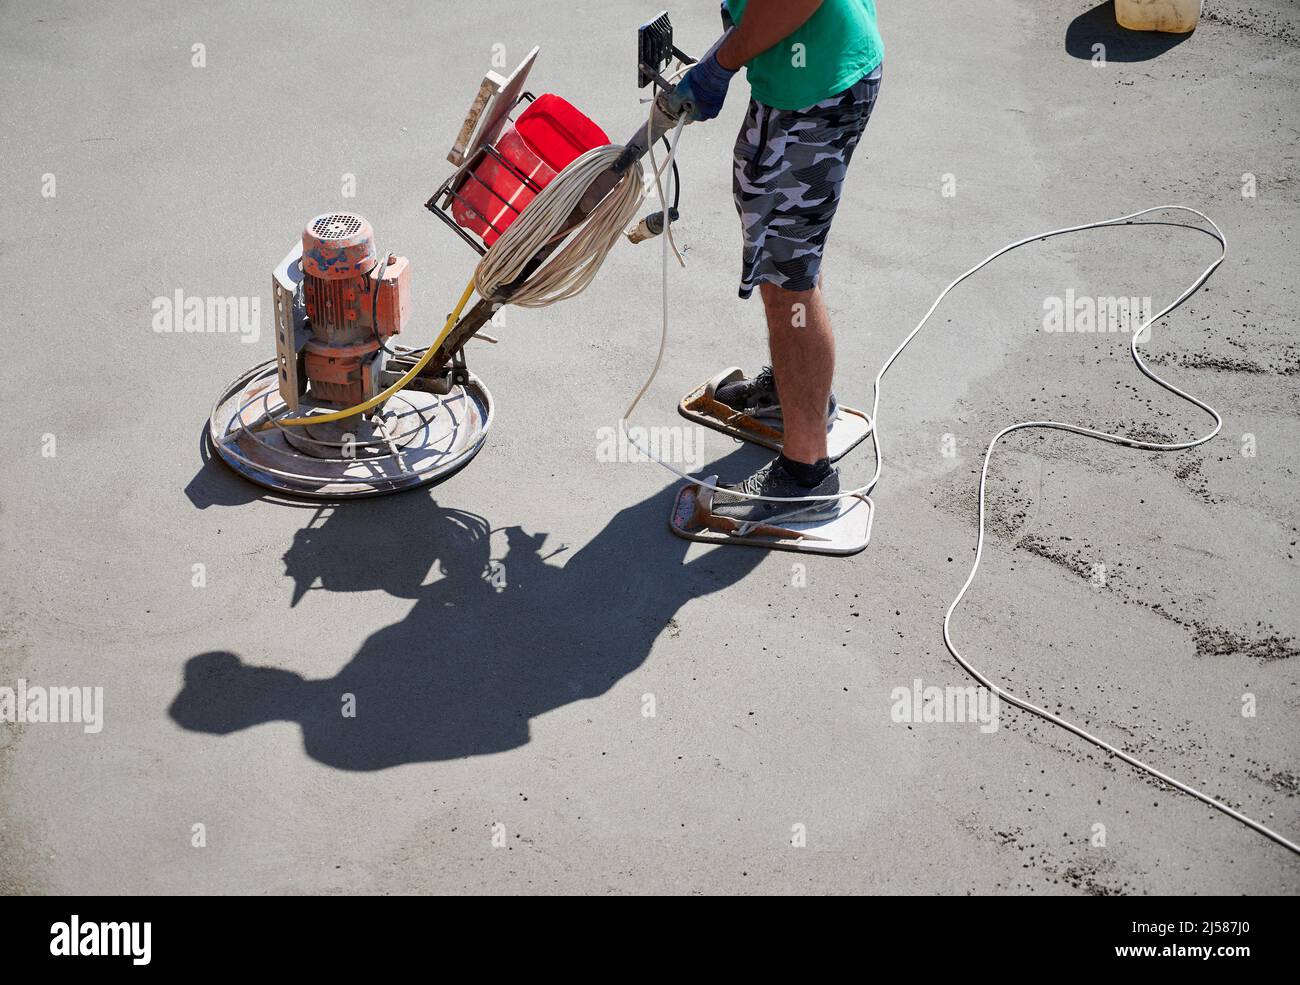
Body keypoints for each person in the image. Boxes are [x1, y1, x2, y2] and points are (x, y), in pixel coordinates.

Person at [672, 0, 883, 524]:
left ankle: (805, 474)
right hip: (807, 69)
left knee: (789, 279)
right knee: (786, 256)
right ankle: (798, 397)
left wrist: (724, 60)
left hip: (814, 87)